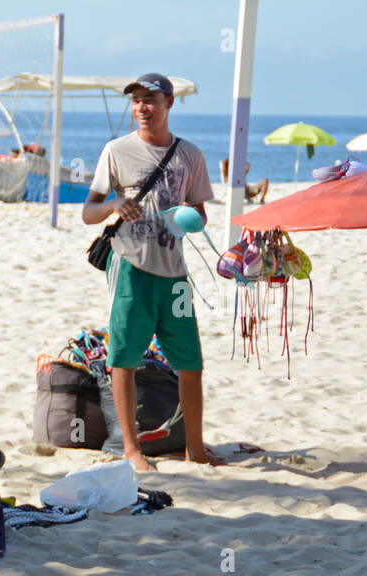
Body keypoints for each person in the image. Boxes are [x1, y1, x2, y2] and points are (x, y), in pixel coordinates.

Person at [83, 74, 219, 470]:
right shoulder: (116, 150)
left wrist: (187, 216)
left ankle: (195, 447)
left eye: (151, 100)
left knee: (190, 363)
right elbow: (88, 212)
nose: (142, 108)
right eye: (137, 101)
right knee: (122, 359)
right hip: (131, 268)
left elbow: (201, 214)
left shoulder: (190, 154)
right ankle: (131, 450)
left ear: (169, 103)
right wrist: (113, 205)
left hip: (174, 275)